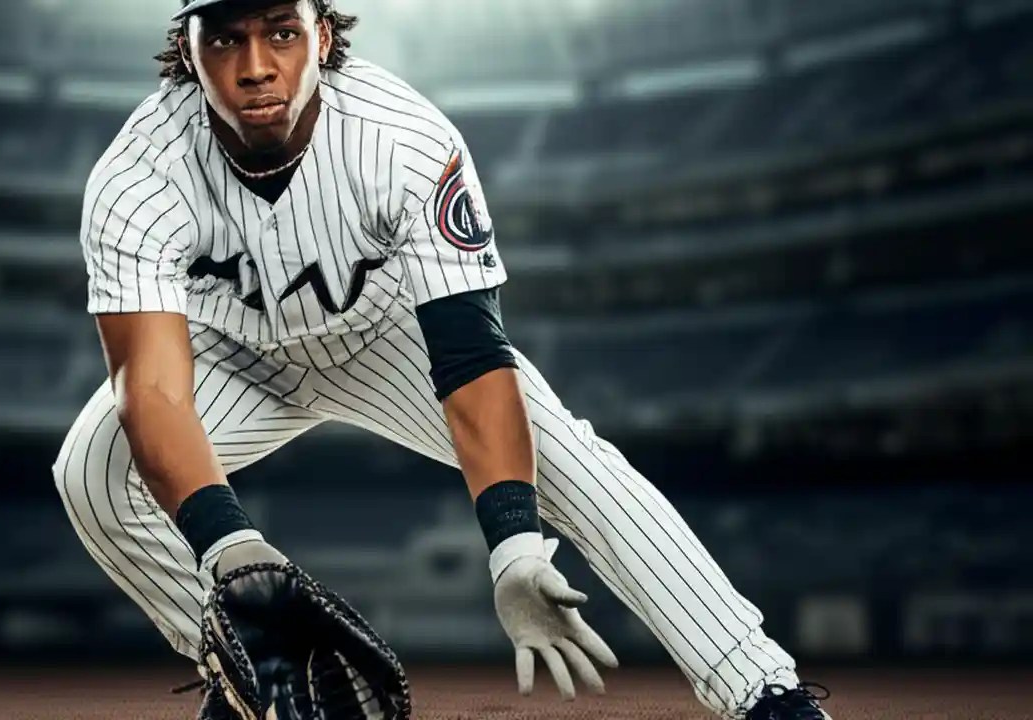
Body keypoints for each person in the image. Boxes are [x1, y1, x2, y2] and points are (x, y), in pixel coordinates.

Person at [53, 0, 832, 717]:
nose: (255, 63)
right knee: (92, 471)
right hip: (228, 354)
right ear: (187, 52)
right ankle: (247, 668)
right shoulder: (137, 174)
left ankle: (763, 689)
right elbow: (152, 388)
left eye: (280, 32)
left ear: (322, 36)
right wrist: (234, 552)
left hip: (386, 338)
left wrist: (516, 546)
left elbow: (469, 357)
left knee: (575, 467)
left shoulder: (402, 137)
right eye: (224, 37)